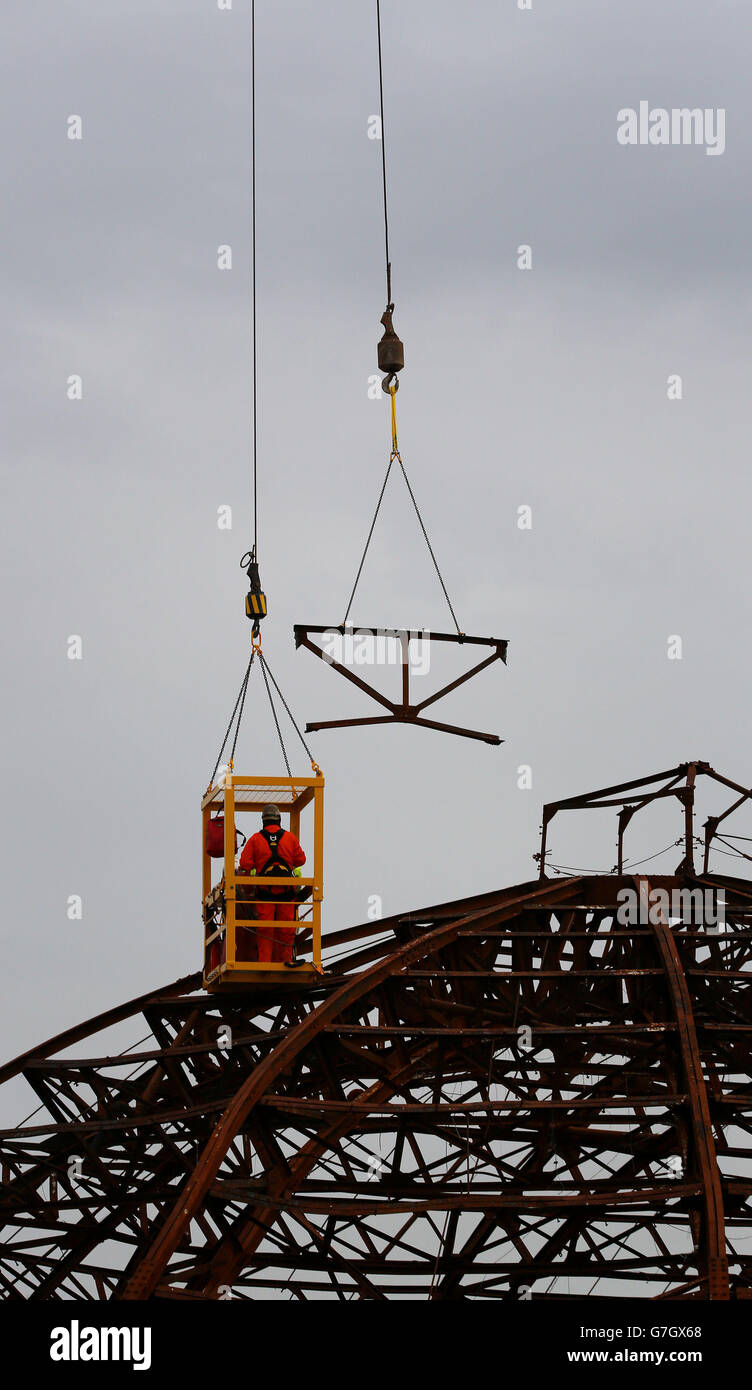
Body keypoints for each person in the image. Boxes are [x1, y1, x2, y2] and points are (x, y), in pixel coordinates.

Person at [238, 804, 305, 964]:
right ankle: (286, 961)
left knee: (265, 929)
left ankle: (265, 963)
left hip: (264, 894)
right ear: (279, 819)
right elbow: (301, 859)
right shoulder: (290, 838)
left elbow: (244, 864)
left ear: (263, 821)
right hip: (286, 893)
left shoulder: (255, 839)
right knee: (287, 929)